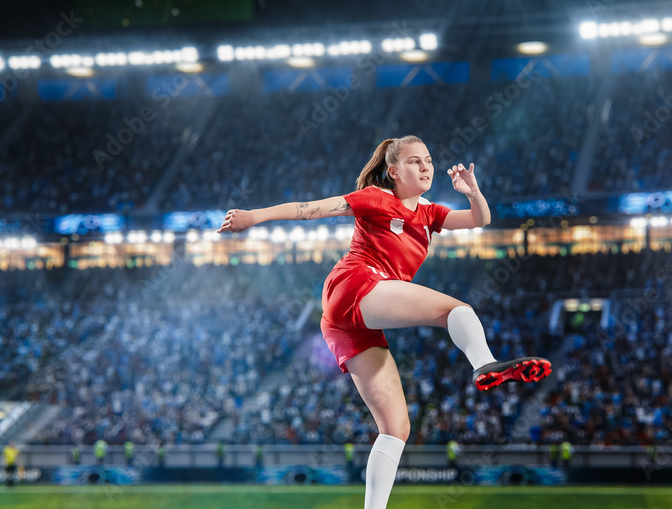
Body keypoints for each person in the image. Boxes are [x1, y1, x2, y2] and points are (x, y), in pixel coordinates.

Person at [218, 136, 551, 509]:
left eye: (428, 160)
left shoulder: (429, 213)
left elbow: (480, 219)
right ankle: (484, 365)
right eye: (414, 161)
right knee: (457, 311)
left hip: (346, 323)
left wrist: (473, 192)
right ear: (393, 171)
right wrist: (253, 217)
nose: (426, 167)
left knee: (396, 429)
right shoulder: (377, 198)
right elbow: (311, 209)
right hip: (355, 284)